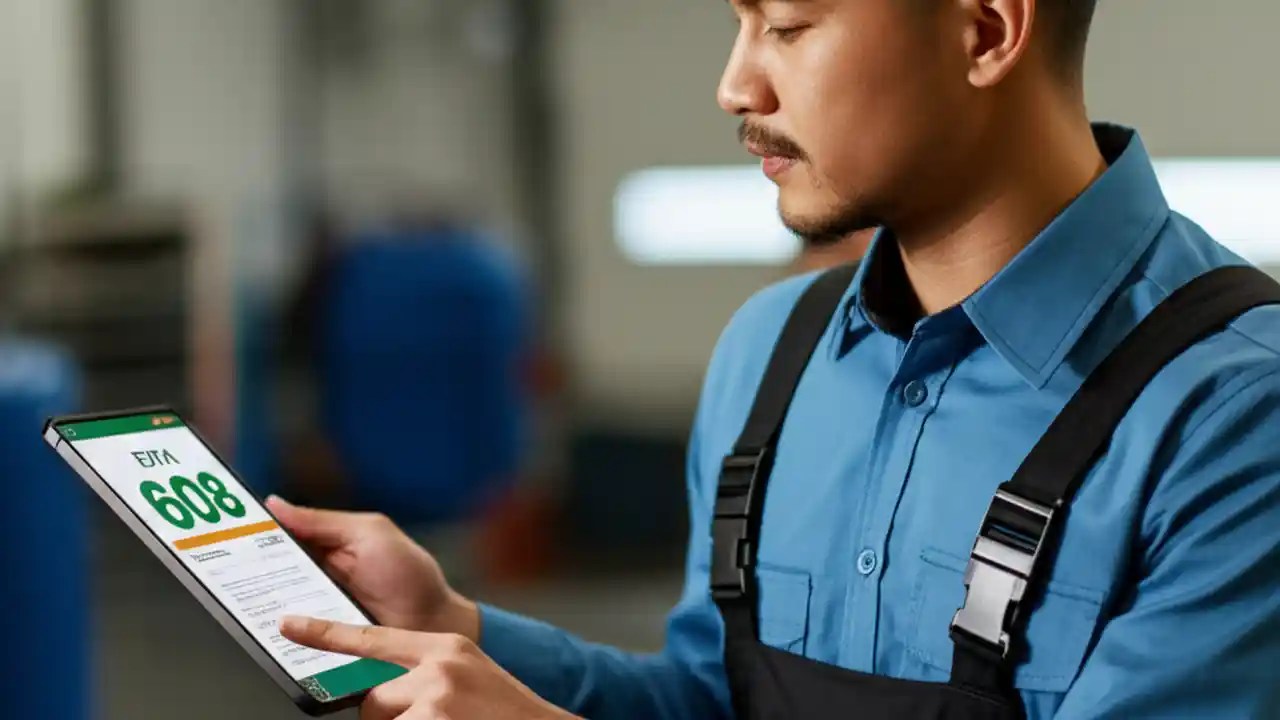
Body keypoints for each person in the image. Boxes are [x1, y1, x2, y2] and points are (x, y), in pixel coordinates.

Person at [271, 0, 1280, 717]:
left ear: (983, 31)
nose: (732, 84)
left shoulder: (1234, 411)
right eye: (737, 24)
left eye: (787, 27)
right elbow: (713, 699)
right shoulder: (770, 353)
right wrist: (458, 632)